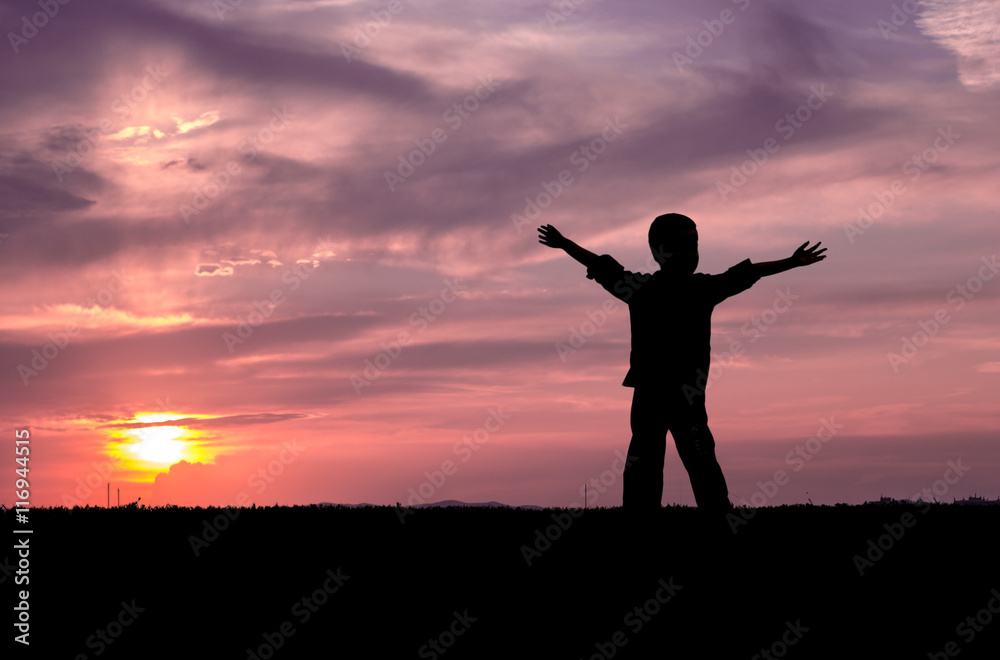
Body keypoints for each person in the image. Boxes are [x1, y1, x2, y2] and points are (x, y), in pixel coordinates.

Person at [537, 214, 826, 514]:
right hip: (653, 397)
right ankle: (642, 522)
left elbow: (747, 273)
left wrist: (791, 262)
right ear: (657, 251)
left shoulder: (696, 289)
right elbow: (601, 265)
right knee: (647, 464)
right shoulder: (643, 289)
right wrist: (564, 244)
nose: (690, 254)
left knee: (700, 462)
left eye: (694, 245)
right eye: (681, 246)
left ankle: (713, 517)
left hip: (686, 399)